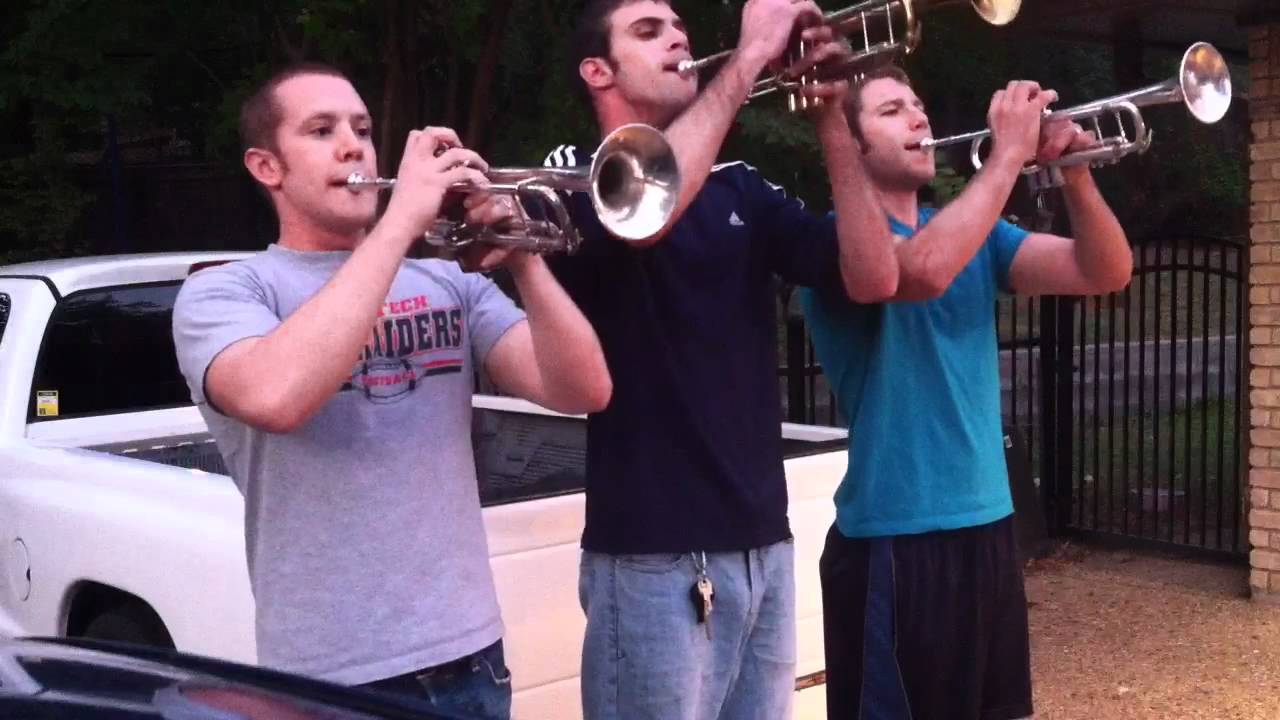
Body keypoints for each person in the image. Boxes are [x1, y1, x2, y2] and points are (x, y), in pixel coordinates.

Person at [171, 62, 612, 720]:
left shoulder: (447, 284)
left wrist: (521, 253)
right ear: (267, 167)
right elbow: (276, 396)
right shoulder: (228, 291)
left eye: (362, 128)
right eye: (321, 130)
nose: (353, 146)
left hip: (470, 656)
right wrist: (400, 223)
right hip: (328, 677)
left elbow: (584, 388)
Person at [540, 1, 899, 717]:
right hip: (650, 550)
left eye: (679, 27)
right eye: (648, 31)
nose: (678, 38)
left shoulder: (741, 185)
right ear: (597, 71)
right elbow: (644, 217)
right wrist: (744, 63)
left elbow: (872, 277)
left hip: (761, 542)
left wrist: (830, 116)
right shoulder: (571, 176)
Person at [800, 64, 1133, 720]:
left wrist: (1078, 173)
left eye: (919, 103)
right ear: (854, 147)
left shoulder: (978, 237)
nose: (919, 117)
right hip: (894, 542)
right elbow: (920, 270)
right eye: (893, 110)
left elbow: (1106, 270)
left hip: (987, 526)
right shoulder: (837, 244)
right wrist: (1009, 154)